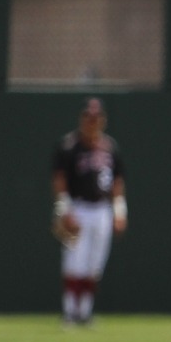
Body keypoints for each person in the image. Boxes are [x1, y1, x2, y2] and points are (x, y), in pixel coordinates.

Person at [51, 97, 127, 328]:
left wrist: (120, 211)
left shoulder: (111, 147)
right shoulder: (69, 146)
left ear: (103, 120)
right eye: (88, 117)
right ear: (82, 119)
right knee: (75, 262)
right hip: (78, 207)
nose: (92, 122)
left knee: (94, 264)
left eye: (96, 117)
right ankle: (69, 311)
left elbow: (117, 182)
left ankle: (85, 311)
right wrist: (64, 209)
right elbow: (59, 179)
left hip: (102, 209)